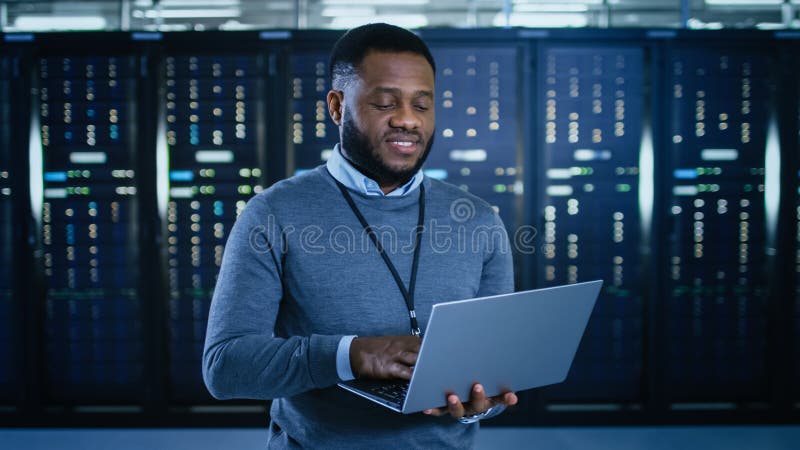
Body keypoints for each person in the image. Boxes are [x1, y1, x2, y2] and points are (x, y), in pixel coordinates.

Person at [202, 23, 518, 449]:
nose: (407, 119)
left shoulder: (479, 221)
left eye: (422, 106)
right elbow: (225, 367)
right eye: (385, 103)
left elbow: (495, 368)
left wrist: (484, 403)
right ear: (336, 106)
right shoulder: (273, 214)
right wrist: (353, 355)